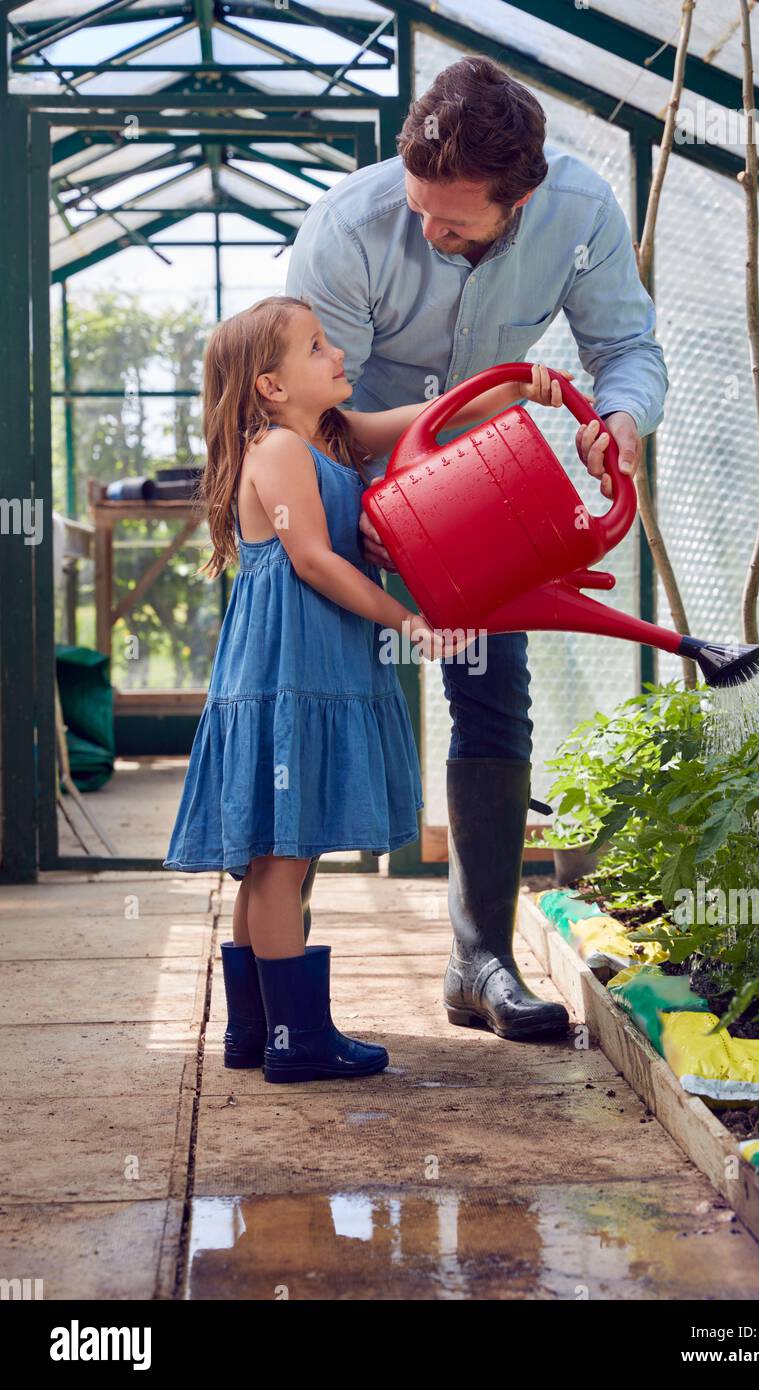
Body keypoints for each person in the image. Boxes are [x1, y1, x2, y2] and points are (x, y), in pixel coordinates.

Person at [284, 55, 669, 1042]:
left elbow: (627, 349)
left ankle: (478, 961)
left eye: (452, 219)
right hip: (343, 467)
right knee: (317, 702)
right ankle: (280, 976)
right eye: (417, 207)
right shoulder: (347, 226)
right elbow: (306, 412)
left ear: (521, 195)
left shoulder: (579, 213)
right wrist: (406, 462)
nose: (427, 229)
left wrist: (616, 420)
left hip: (473, 479)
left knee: (491, 689)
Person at [163, 293, 572, 1081]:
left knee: (275, 858)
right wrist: (406, 620)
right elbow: (313, 560)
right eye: (317, 348)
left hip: (313, 665)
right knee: (280, 858)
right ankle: (299, 1040)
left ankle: (255, 1033)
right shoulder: (277, 451)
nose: (337, 355)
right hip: (288, 672)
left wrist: (520, 386)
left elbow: (436, 417)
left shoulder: (334, 438)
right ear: (271, 387)